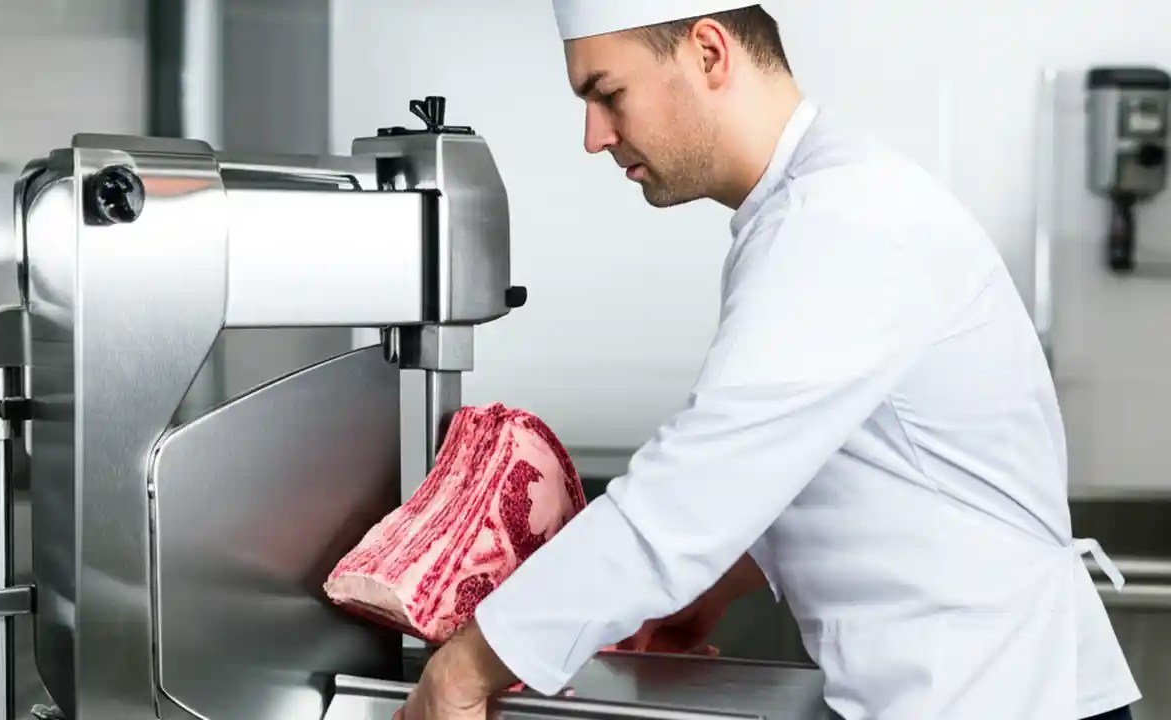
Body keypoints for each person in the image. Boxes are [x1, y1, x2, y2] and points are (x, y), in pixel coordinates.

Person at [397, 2, 1141, 719]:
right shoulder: (810, 207)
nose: (594, 136)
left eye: (608, 93)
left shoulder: (836, 221)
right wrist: (722, 579)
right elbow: (846, 460)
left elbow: (686, 495)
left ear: (710, 52)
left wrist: (470, 666)